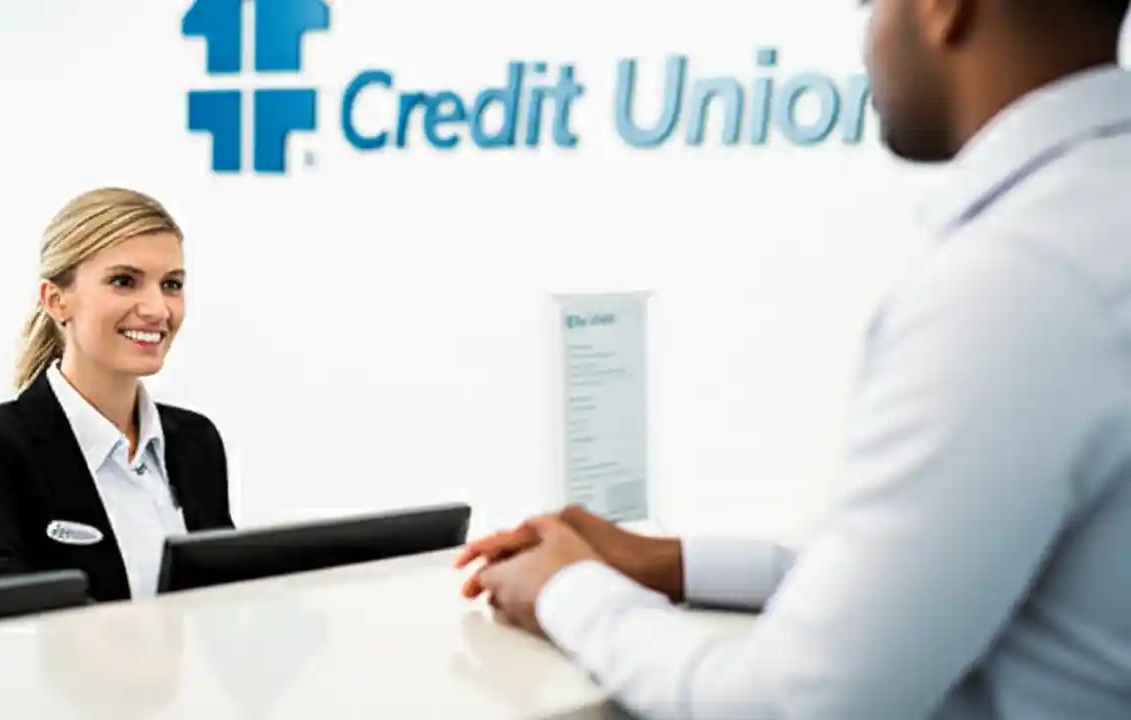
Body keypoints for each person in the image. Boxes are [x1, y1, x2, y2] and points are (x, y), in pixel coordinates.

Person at [457, 1, 1131, 717]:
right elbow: (925, 576)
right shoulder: (1092, 222)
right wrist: (667, 564)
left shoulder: (1023, 280)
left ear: (943, 8)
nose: (867, 38)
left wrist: (568, 591)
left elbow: (792, 704)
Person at [0, 187, 234, 602]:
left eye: (171, 284)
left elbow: (222, 603)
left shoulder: (195, 440)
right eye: (124, 281)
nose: (156, 309)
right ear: (56, 300)